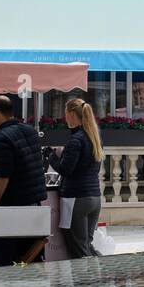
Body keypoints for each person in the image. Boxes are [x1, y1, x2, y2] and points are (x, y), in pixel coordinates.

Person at [47, 97, 104, 259]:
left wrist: (51, 157)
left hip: (76, 199)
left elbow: (65, 170)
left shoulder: (76, 140)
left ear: (72, 114)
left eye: (66, 114)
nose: (65, 118)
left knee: (78, 249)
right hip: (94, 198)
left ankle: (86, 284)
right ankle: (100, 277)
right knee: (86, 244)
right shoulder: (94, 138)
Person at [0, 96, 47, 208]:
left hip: (14, 202)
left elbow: (3, 176)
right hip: (35, 200)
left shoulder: (0, 138)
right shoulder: (31, 131)